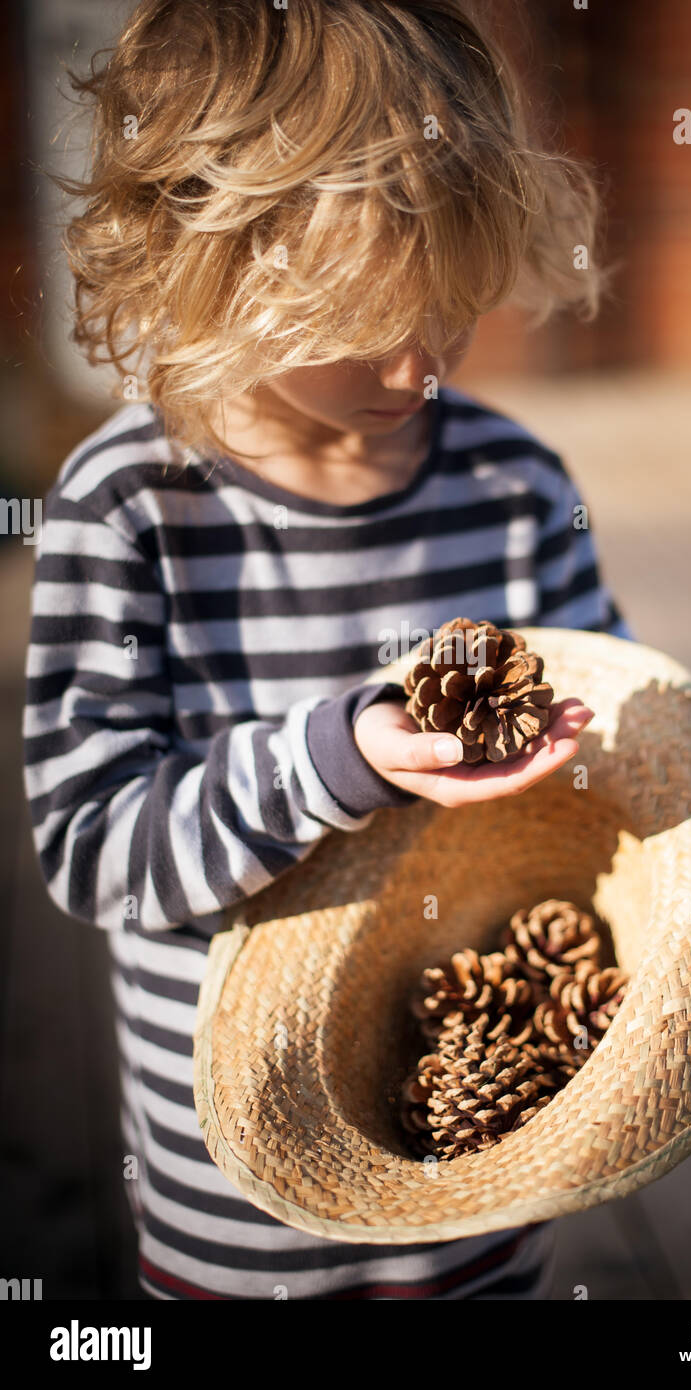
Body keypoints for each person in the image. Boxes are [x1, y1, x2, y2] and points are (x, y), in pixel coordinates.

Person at [23, 0, 633, 1299]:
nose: (420, 368)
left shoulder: (516, 486)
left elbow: (611, 709)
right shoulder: (131, 508)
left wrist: (590, 759)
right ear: (207, 259)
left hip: (478, 1173)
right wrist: (331, 758)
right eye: (366, 320)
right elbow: (92, 845)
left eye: (454, 309)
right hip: (239, 1211)